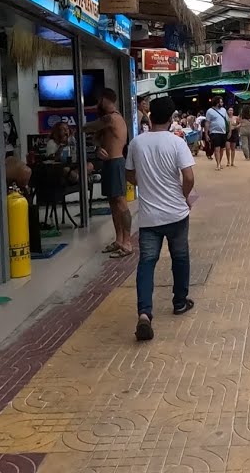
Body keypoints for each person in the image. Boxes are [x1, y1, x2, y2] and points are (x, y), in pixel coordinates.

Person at [126, 97, 196, 341]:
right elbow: (188, 177)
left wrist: (143, 183)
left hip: (149, 218)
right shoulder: (176, 143)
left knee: (146, 262)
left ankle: (144, 314)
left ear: (150, 115)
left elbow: (129, 174)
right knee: (180, 257)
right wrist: (183, 196)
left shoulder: (136, 143)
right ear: (170, 117)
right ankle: (179, 301)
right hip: (176, 214)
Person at [87, 88, 132, 258]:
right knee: (113, 203)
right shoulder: (106, 120)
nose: (97, 103)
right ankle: (119, 240)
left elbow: (88, 127)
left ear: (105, 100)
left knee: (121, 202)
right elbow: (95, 138)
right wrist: (98, 148)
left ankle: (127, 242)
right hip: (108, 163)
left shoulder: (111, 117)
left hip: (116, 162)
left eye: (99, 100)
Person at [204, 97, 229, 171]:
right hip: (214, 132)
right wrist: (206, 133)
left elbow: (227, 121)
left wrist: (229, 130)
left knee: (222, 149)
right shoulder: (210, 111)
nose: (222, 103)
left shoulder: (224, 110)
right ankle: (218, 164)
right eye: (221, 102)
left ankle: (219, 162)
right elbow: (207, 123)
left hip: (223, 132)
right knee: (217, 148)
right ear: (216, 103)